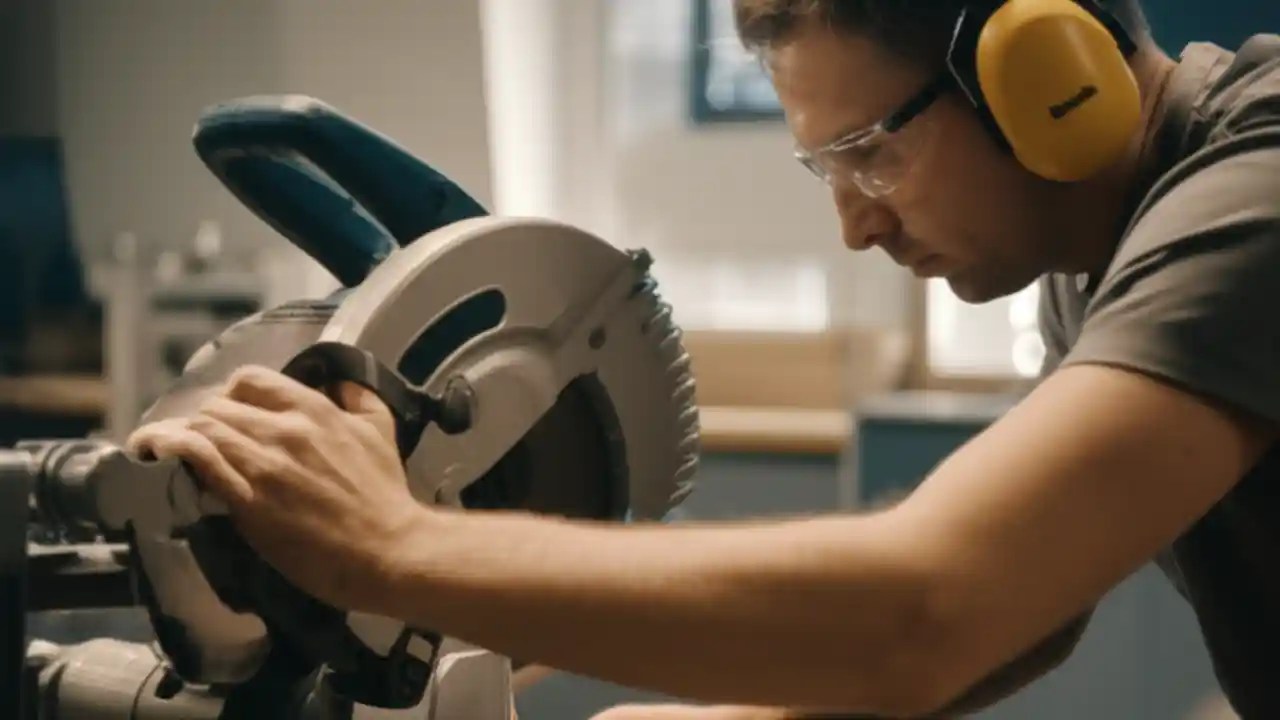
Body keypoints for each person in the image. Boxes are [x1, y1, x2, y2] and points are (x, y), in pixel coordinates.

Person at [129, 1, 1280, 717]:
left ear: (1044, 67)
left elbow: (934, 603)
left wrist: (388, 543)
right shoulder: (1109, 241)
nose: (855, 225)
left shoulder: (1252, 199)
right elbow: (1039, 593)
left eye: (868, 152)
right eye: (822, 170)